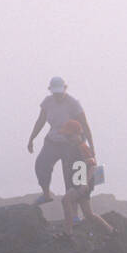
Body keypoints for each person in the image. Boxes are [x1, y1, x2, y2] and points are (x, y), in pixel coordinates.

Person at [27, 76, 95, 206]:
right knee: (41, 165)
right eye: (55, 92)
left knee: (70, 176)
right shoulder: (47, 102)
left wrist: (91, 147)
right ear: (51, 90)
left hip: (70, 143)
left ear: (65, 89)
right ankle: (46, 194)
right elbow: (40, 121)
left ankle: (74, 213)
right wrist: (31, 139)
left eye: (60, 92)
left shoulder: (73, 103)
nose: (58, 95)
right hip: (53, 140)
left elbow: (84, 126)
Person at [56, 119, 114, 238]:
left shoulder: (83, 147)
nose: (67, 138)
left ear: (77, 134)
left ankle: (67, 233)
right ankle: (112, 231)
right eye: (66, 136)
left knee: (66, 201)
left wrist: (84, 183)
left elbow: (93, 166)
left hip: (82, 182)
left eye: (69, 135)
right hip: (78, 182)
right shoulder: (74, 147)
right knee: (89, 214)